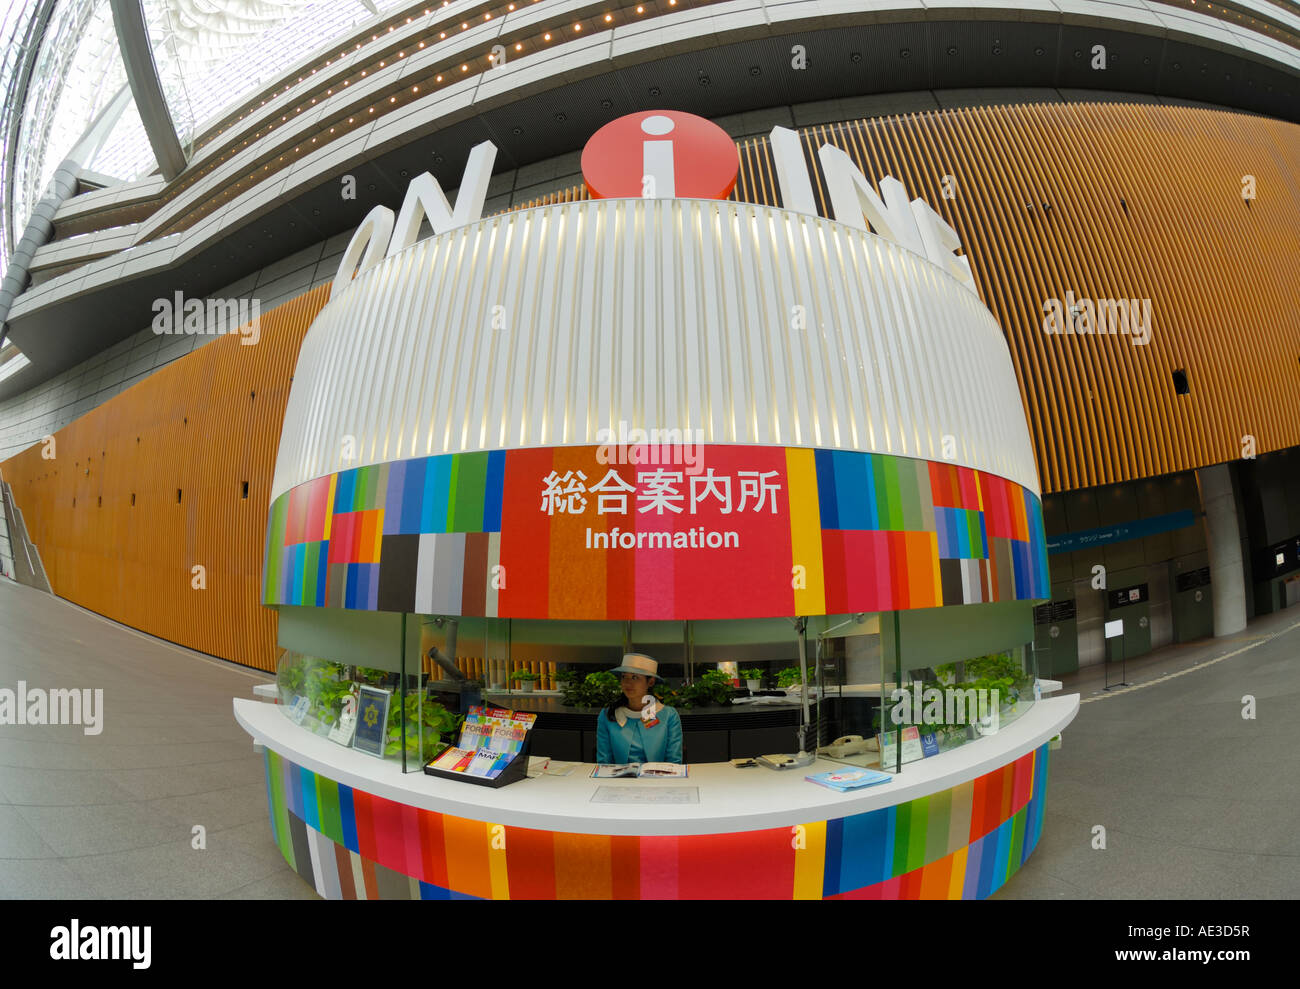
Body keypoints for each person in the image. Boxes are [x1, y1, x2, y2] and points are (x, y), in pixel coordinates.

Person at [595, 653, 682, 764]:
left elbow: (674, 763)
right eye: (623, 677)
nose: (627, 683)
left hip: (658, 780)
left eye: (634, 677)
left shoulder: (669, 715)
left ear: (650, 682)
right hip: (618, 780)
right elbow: (604, 763)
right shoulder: (608, 715)